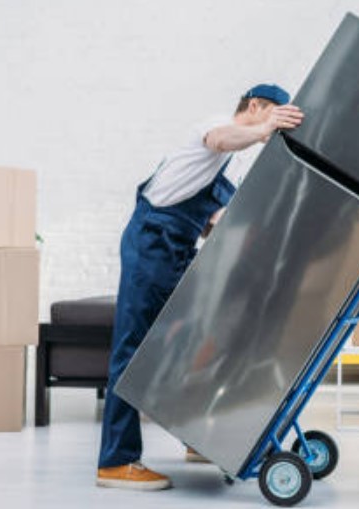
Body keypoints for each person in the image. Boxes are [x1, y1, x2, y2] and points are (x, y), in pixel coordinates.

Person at [96, 84, 304, 491]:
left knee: (190, 342)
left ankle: (196, 438)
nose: (277, 126)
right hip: (152, 241)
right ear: (256, 105)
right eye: (274, 114)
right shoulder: (218, 127)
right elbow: (222, 139)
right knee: (135, 348)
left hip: (178, 248)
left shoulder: (236, 165)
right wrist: (265, 129)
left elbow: (210, 221)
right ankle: (116, 461)